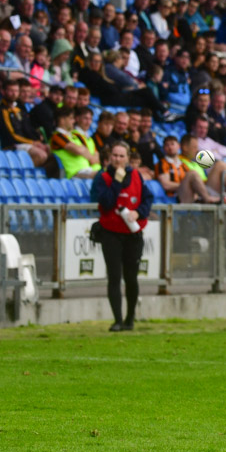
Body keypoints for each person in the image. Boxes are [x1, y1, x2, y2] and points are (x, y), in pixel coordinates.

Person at [90, 141, 153, 332]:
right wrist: (117, 181)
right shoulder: (102, 178)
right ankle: (117, 320)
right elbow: (106, 202)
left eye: (121, 156)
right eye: (115, 156)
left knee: (131, 277)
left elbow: (147, 199)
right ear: (110, 158)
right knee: (114, 276)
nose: (117, 159)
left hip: (132, 234)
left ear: (128, 158)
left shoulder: (136, 176)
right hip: (111, 233)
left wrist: (139, 213)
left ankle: (130, 318)